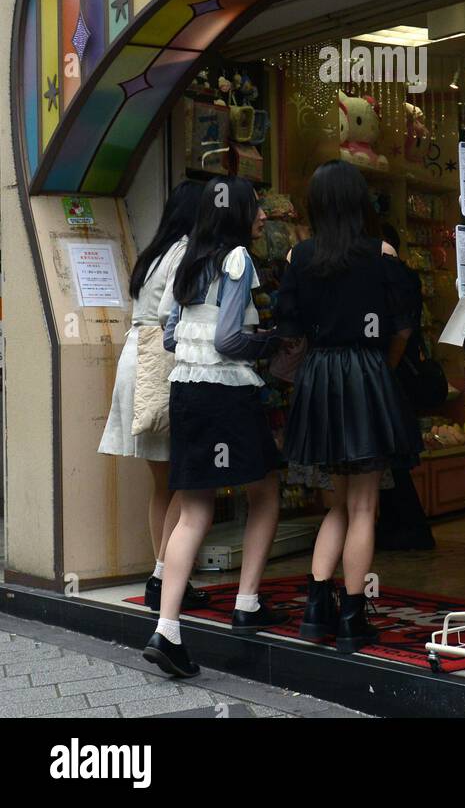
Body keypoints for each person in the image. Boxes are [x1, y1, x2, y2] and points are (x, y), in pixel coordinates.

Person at [275, 160, 422, 653]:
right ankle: (354, 615)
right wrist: (382, 366)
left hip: (319, 377)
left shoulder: (299, 257)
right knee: (363, 505)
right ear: (361, 203)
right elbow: (402, 324)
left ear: (316, 205)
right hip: (365, 374)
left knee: (337, 503)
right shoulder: (381, 254)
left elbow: (289, 330)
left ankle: (317, 609)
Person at [144, 176, 285, 679]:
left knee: (193, 512)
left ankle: (168, 629)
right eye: (256, 208)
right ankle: (246, 601)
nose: (263, 216)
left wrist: (197, 343)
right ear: (235, 216)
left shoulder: (184, 258)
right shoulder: (237, 260)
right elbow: (228, 339)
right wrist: (268, 343)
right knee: (265, 492)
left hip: (186, 389)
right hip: (226, 393)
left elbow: (168, 335)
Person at [98, 179, 210, 613]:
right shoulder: (185, 251)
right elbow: (174, 314)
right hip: (160, 365)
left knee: (162, 483)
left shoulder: (153, 253)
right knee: (186, 478)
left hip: (136, 361)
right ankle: (165, 577)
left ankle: (160, 573)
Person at [376, 224, 436, 552]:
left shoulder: (395, 276)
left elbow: (401, 331)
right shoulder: (406, 276)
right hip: (398, 374)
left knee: (391, 457)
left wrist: (386, 368)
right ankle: (400, 526)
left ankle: (408, 527)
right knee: (392, 456)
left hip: (395, 375)